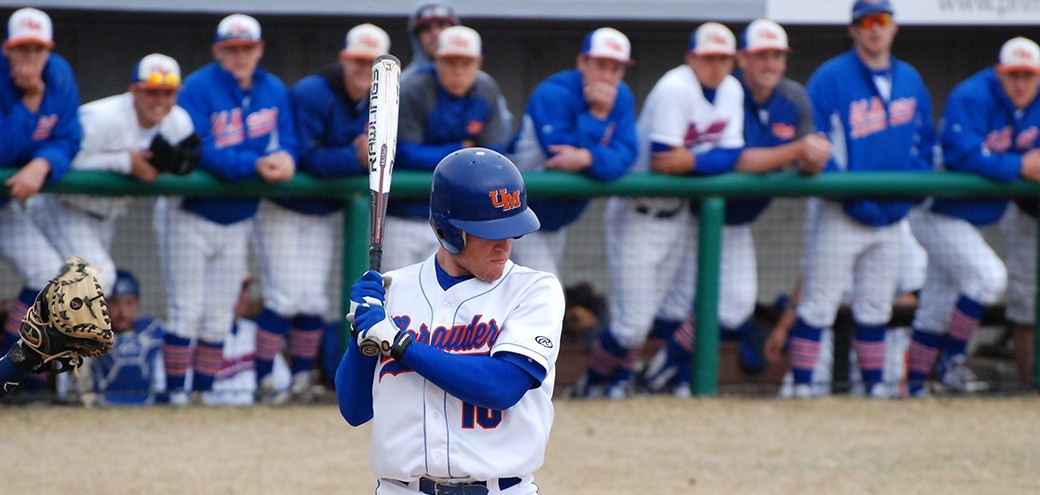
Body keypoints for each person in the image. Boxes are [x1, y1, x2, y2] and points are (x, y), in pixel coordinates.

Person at [336, 148, 563, 494]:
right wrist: (361, 338)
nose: (505, 245)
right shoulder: (393, 290)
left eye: (512, 231)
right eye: (490, 233)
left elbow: (502, 387)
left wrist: (399, 344)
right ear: (449, 232)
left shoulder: (534, 290)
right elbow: (354, 410)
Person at [641, 19, 832, 387]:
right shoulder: (729, 89)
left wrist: (811, 156)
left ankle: (663, 371)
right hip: (695, 209)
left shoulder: (792, 97)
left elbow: (810, 159)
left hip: (737, 219)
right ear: (742, 59)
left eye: (777, 56)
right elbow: (739, 159)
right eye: (762, 55)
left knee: (734, 307)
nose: (770, 64)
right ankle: (672, 382)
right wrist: (794, 150)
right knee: (676, 304)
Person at [575, 22, 745, 399]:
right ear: (691, 58)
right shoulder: (675, 87)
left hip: (680, 213)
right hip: (640, 212)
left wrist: (693, 160)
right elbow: (664, 160)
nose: (716, 65)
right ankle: (591, 384)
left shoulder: (732, 89)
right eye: (708, 57)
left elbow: (734, 153)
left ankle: (629, 385)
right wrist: (708, 160)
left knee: (662, 312)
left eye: (723, 58)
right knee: (632, 325)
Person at [786, 0, 935, 398]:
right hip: (840, 214)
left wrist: (903, 199)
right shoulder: (830, 78)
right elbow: (818, 148)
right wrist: (852, 197)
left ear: (894, 27)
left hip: (892, 217)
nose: (874, 29)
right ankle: (802, 390)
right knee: (819, 304)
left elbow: (925, 146)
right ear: (853, 29)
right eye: (865, 22)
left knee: (876, 309)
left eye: (881, 20)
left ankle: (872, 393)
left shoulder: (910, 78)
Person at [157, 13, 297, 406]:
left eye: (247, 48)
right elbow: (199, 149)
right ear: (218, 50)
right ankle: (174, 398)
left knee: (219, 315)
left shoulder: (272, 88)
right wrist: (254, 164)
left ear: (259, 49)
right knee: (186, 310)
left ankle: (201, 396)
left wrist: (287, 159)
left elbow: (286, 140)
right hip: (189, 213)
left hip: (238, 218)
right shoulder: (197, 87)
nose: (240, 55)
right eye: (232, 48)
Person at [251, 23, 389, 404]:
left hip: (326, 210)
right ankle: (263, 383)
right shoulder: (312, 92)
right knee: (283, 297)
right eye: (357, 60)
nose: (363, 69)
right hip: (284, 207)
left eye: (372, 63)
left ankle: (301, 381)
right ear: (344, 59)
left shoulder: (384, 98)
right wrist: (353, 157)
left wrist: (356, 157)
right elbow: (305, 156)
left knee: (313, 300)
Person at [905, 37, 1040, 396]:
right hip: (937, 209)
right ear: (1000, 73)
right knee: (987, 277)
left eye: (1029, 76)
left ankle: (915, 388)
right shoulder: (972, 95)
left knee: (936, 306)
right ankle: (953, 364)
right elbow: (960, 155)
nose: (1021, 84)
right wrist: (1019, 166)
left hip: (971, 217)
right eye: (1014, 75)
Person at [28, 53, 194, 293]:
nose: (160, 100)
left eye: (167, 93)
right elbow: (61, 160)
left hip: (107, 215)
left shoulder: (178, 122)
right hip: (62, 206)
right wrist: (124, 162)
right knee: (97, 279)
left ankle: (30, 318)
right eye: (152, 92)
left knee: (71, 288)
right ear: (134, 91)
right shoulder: (102, 117)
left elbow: (190, 161)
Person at [508, 27, 639, 276]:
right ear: (582, 62)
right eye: (601, 65)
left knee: (534, 291)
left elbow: (627, 153)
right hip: (517, 211)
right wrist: (598, 117)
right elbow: (559, 154)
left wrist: (587, 158)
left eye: (616, 68)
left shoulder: (621, 96)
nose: (607, 76)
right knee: (545, 288)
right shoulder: (553, 93)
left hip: (557, 218)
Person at [387, 25, 510, 271]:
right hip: (404, 215)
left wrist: (444, 154)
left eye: (466, 63)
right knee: (396, 289)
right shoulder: (413, 87)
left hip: (458, 221)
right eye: (450, 62)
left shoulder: (486, 90)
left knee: (453, 290)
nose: (457, 70)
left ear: (478, 63)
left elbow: (493, 156)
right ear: (437, 60)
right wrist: (462, 149)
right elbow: (406, 154)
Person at [0, 7, 80, 358]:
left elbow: (69, 137)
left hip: (5, 205)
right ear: (7, 49)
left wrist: (44, 163)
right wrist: (31, 101)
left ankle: (7, 365)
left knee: (48, 274)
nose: (30, 58)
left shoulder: (58, 75)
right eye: (23, 49)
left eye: (38, 49)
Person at [74, 270, 165, 406]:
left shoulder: (152, 333)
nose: (122, 311)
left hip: (147, 404)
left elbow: (161, 381)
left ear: (137, 303)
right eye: (115, 303)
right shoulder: (90, 336)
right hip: (102, 404)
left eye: (128, 302)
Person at [404, 1, 459, 74]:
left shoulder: (474, 79)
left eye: (441, 25)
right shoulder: (406, 80)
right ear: (417, 37)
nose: (435, 33)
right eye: (426, 28)